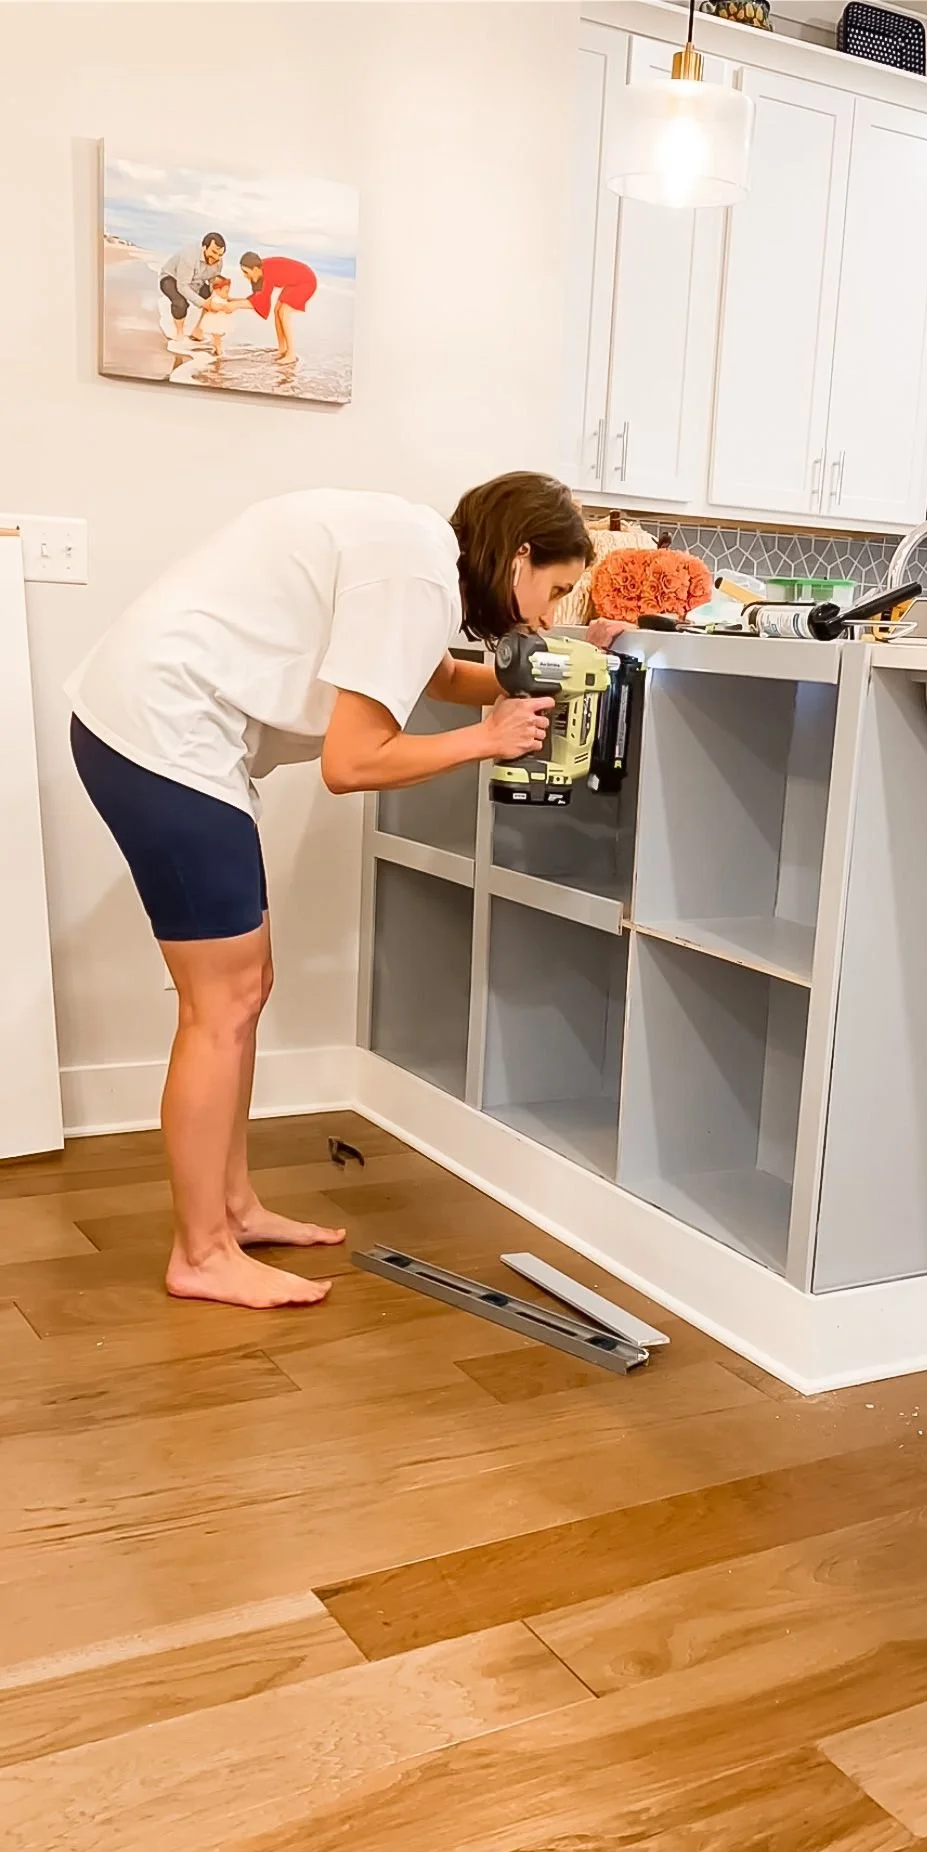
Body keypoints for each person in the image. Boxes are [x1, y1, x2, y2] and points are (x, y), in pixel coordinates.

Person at [66, 475, 602, 1313]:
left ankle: (231, 1211)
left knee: (243, 991)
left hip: (157, 727)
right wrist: (485, 743)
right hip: (162, 733)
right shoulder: (417, 571)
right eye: (555, 592)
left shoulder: (414, 553)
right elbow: (351, 766)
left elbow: (431, 676)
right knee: (225, 1000)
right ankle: (201, 1252)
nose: (543, 618)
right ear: (522, 554)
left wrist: (544, 673)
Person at [234, 252, 317, 365]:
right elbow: (257, 298)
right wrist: (233, 301)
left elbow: (261, 301)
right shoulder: (262, 270)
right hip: (295, 283)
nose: (245, 275)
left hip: (306, 281)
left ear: (255, 269)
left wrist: (234, 305)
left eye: (246, 272)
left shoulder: (267, 273)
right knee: (277, 310)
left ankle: (291, 354)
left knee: (283, 311)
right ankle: (282, 349)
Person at [159, 232, 226, 345]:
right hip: (171, 278)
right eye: (214, 252)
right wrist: (203, 303)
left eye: (220, 254)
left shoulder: (218, 262)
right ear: (204, 247)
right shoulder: (189, 256)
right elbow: (182, 286)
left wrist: (217, 297)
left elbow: (212, 282)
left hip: (196, 282)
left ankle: (198, 331)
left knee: (214, 300)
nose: (216, 257)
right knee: (180, 303)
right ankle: (179, 334)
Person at [189, 275, 234, 360]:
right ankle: (218, 350)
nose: (227, 294)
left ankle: (215, 348)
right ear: (217, 290)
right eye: (226, 292)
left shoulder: (222, 297)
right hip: (214, 321)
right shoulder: (214, 298)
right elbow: (214, 307)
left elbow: (229, 302)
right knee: (217, 336)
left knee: (217, 336)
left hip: (219, 320)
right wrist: (224, 307)